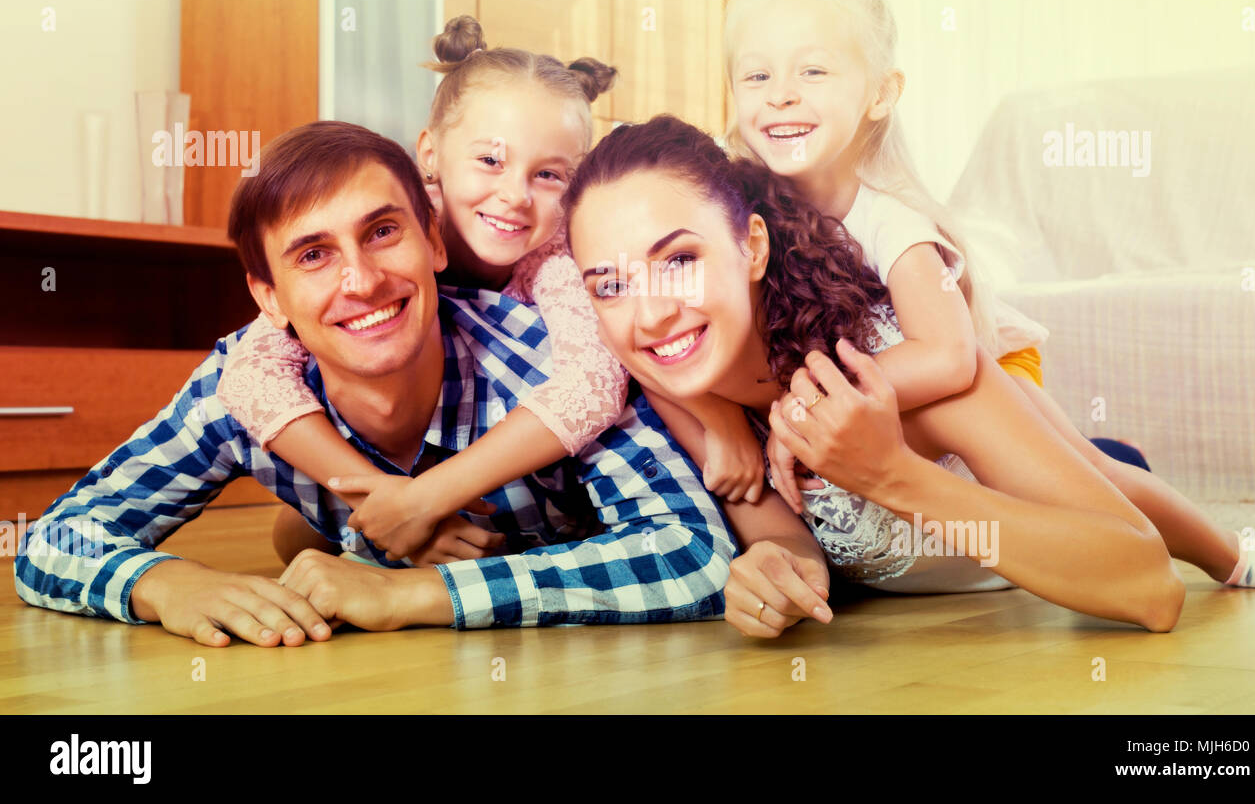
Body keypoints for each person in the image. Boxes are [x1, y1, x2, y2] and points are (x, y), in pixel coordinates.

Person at [14, 120, 735, 646]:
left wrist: (417, 592)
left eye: (383, 232)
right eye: (314, 254)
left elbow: (698, 554)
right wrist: (165, 582)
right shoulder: (241, 385)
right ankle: (326, 529)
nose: (360, 280)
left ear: (434, 239)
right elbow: (53, 538)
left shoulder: (545, 360)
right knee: (296, 534)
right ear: (268, 298)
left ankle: (330, 535)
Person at [721, 0, 1255, 589]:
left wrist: (808, 402)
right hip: (897, 432)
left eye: (813, 71)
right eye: (757, 74)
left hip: (978, 396)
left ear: (880, 94)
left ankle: (1232, 557)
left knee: (1101, 480)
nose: (779, 93)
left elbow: (948, 357)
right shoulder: (736, 212)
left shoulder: (891, 224)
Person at [563, 114, 1190, 636]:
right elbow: (784, 535)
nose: (649, 316)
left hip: (1052, 531)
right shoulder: (677, 388)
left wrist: (889, 474)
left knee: (1106, 469)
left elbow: (1151, 588)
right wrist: (775, 569)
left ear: (752, 247)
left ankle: (1128, 469)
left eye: (678, 260)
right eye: (611, 285)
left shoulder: (897, 363)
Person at [217, 16, 762, 568]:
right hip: (400, 444)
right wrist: (375, 497)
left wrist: (718, 417)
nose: (515, 196)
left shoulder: (557, 260)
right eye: (490, 161)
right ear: (428, 154)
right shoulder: (384, 231)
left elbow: (597, 382)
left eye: (550, 175)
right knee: (299, 535)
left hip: (517, 468)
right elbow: (245, 374)